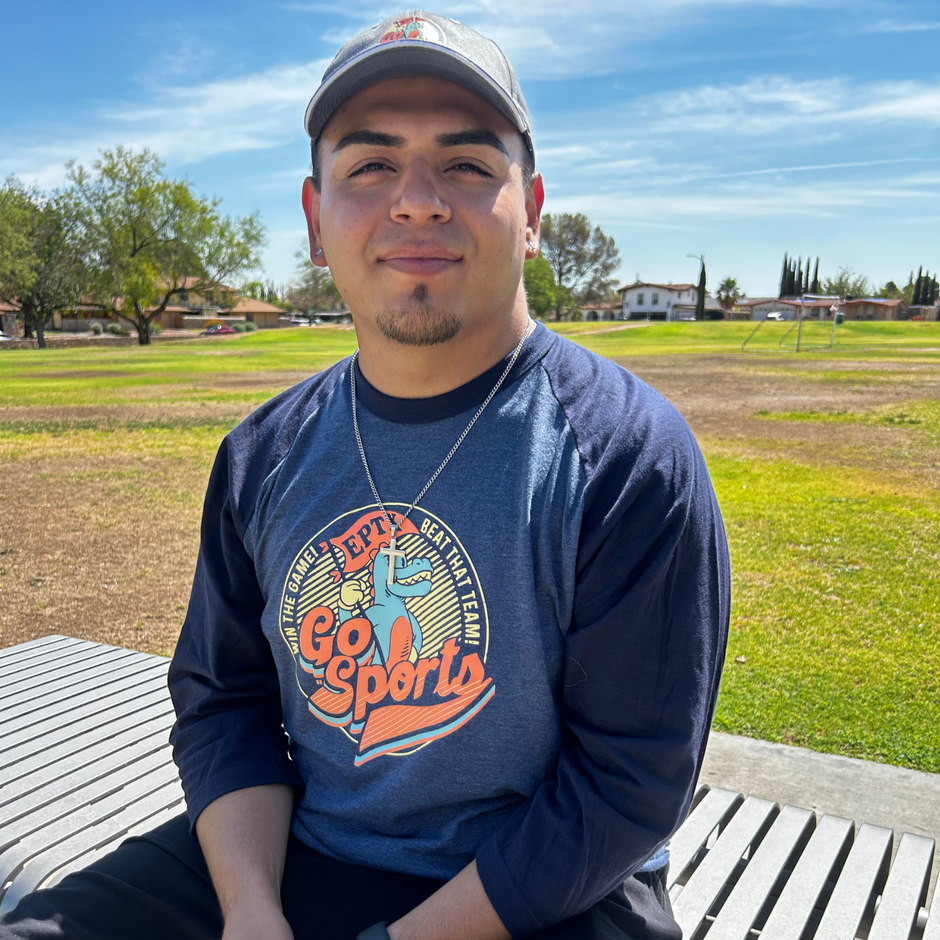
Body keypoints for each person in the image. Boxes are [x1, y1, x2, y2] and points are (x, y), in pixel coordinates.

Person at [0, 11, 729, 940]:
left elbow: (628, 788)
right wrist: (251, 910)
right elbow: (226, 704)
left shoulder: (629, 457)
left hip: (549, 894)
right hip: (302, 853)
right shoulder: (261, 455)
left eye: (468, 164)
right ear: (316, 220)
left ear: (534, 213)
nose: (417, 202)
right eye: (372, 164)